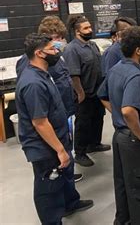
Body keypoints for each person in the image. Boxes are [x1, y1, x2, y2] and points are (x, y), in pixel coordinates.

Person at [15, 33, 93, 224]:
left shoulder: (43, 73)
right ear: (39, 53)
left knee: (62, 179)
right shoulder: (33, 83)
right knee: (48, 189)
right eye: (52, 49)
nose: (57, 52)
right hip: (44, 148)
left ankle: (69, 204)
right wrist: (60, 150)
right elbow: (39, 122)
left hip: (58, 137)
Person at [97, 26, 140, 225]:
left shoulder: (116, 69)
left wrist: (118, 116)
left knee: (123, 183)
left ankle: (123, 220)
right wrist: (139, 132)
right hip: (133, 140)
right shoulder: (134, 75)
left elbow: (102, 96)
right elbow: (128, 110)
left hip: (120, 137)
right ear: (139, 51)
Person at [16, 16, 83, 183]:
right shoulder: (29, 63)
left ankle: (68, 180)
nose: (59, 42)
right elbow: (33, 98)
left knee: (67, 151)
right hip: (46, 117)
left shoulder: (56, 55)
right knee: (53, 161)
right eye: (55, 38)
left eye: (61, 37)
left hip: (63, 112)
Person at [63, 15, 110, 167]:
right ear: (77, 31)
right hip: (84, 93)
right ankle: (80, 152)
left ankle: (94, 144)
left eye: (90, 27)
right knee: (83, 123)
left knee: (98, 118)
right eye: (86, 28)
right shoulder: (72, 49)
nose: (90, 30)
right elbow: (74, 74)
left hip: (97, 91)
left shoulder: (92, 45)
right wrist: (80, 93)